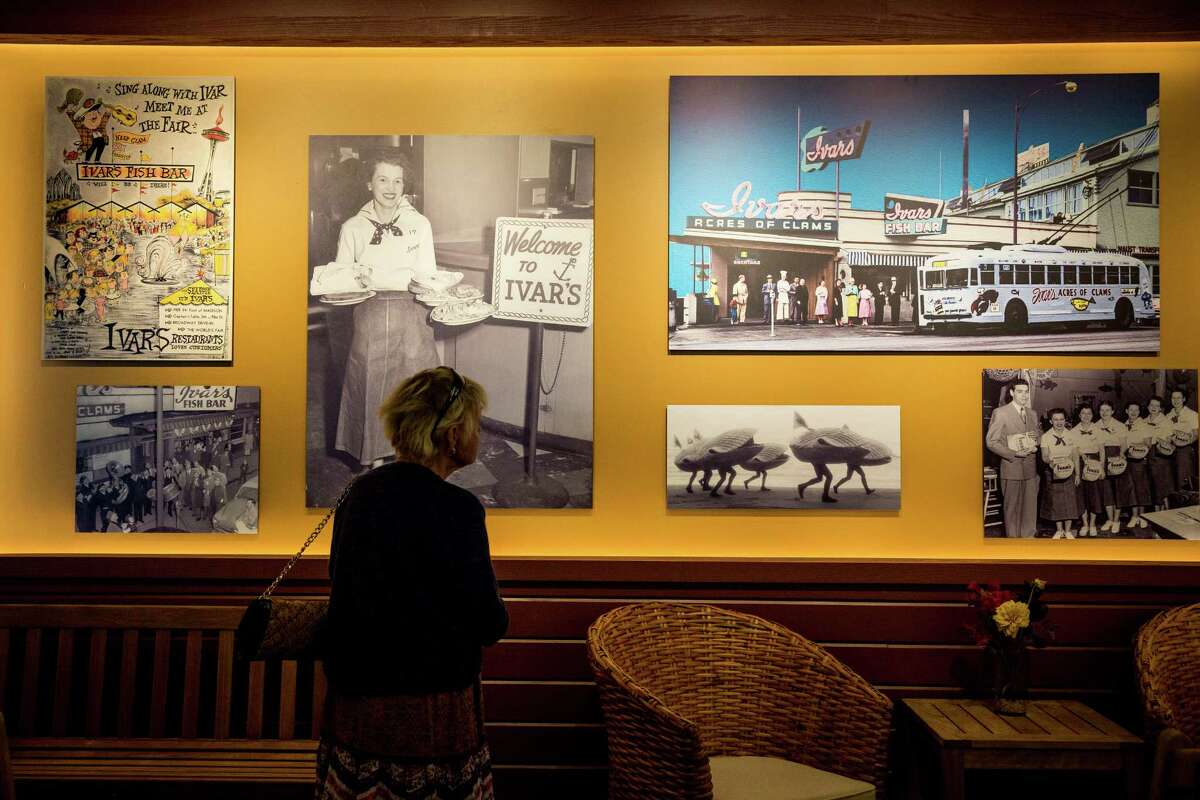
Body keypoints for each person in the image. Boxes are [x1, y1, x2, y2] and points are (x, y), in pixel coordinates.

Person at [320, 366, 508, 800]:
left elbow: (342, 584)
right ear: (453, 434)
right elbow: (488, 622)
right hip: (432, 712)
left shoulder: (358, 494)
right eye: (476, 423)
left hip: (357, 706)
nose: (479, 433)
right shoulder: (459, 509)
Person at [331, 149, 441, 471]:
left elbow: (428, 274)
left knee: (417, 387)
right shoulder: (352, 227)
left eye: (398, 181)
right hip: (371, 313)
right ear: (369, 183)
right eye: (383, 179)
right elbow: (341, 279)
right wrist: (350, 282)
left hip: (413, 312)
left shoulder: (419, 224)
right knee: (371, 387)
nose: (391, 188)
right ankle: (374, 462)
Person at [985, 379, 1042, 538]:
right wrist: (1014, 453)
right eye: (1020, 391)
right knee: (1012, 510)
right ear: (1011, 393)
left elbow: (1038, 435)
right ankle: (1013, 543)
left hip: (1030, 469)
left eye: (1026, 392)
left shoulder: (1032, 413)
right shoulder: (1001, 412)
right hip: (1011, 467)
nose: (1024, 395)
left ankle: (1028, 539)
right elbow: (991, 442)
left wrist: (1036, 443)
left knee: (1030, 508)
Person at [1040, 408, 1081, 539]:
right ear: (1051, 421)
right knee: (1056, 501)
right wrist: (1051, 462)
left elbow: (1075, 456)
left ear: (1065, 420)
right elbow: (1044, 456)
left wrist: (1078, 474)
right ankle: (1059, 530)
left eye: (1061, 419)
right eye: (1056, 419)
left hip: (1069, 471)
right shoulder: (1045, 437)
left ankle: (1068, 531)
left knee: (1069, 501)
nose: (1059, 422)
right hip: (1053, 472)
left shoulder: (1072, 435)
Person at [1097, 400, 1133, 535]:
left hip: (1117, 457)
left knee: (1118, 490)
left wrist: (1121, 456)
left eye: (1107, 410)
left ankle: (1117, 520)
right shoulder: (1095, 426)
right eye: (1102, 410)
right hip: (1102, 458)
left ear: (1112, 411)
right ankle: (1110, 519)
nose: (1104, 413)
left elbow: (1124, 445)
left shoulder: (1120, 425)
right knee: (1107, 491)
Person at [1070, 405, 1104, 537]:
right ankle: (1085, 524)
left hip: (1094, 462)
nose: (1086, 416)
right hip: (1079, 462)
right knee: (1081, 495)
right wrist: (1078, 473)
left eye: (1088, 413)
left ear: (1092, 415)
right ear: (1079, 415)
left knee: (1094, 495)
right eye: (1083, 413)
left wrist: (1101, 468)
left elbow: (1102, 450)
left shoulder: (1098, 430)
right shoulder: (1073, 431)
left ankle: (1093, 524)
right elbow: (1074, 451)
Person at [1124, 401, 1154, 529]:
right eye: (1131, 409)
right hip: (1127, 461)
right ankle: (1134, 516)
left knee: (1141, 489)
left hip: (1139, 461)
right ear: (1126, 411)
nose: (1133, 412)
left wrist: (1134, 446)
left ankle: (1142, 516)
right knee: (1131, 489)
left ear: (1139, 412)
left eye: (1136, 410)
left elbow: (1148, 444)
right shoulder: (1124, 425)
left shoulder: (1144, 425)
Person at [1145, 396, 1177, 512]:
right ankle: (1157, 514)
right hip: (1148, 454)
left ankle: (1167, 513)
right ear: (1148, 407)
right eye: (1151, 405)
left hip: (1161, 455)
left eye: (1157, 406)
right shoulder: (1143, 421)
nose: (1154, 408)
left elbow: (1168, 441)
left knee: (1164, 486)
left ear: (1160, 408)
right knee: (1153, 486)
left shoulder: (1166, 421)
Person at [1168, 388, 1198, 490]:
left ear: (1184, 399)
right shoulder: (1168, 415)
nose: (1176, 400)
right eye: (1173, 398)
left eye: (1179, 398)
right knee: (1172, 481)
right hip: (1171, 451)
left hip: (1184, 450)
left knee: (1184, 480)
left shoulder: (1192, 414)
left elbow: (1196, 434)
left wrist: (1186, 441)